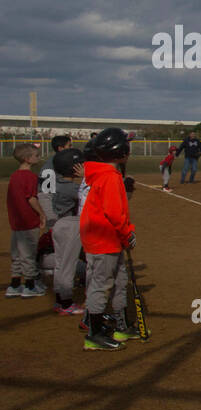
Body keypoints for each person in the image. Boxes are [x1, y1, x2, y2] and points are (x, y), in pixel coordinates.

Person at [79, 128, 139, 350]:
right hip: (103, 239)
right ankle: (94, 334)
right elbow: (114, 214)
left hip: (110, 238)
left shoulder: (107, 174)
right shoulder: (109, 177)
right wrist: (127, 234)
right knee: (101, 285)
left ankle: (121, 327)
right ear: (119, 150)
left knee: (119, 282)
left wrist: (125, 233)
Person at [49, 147, 86, 316]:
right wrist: (86, 177)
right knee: (68, 266)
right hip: (70, 227)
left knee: (61, 264)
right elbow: (89, 194)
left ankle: (60, 300)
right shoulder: (71, 188)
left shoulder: (58, 183)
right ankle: (66, 303)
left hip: (59, 226)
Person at [6, 143, 46, 298]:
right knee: (29, 254)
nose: (38, 158)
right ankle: (30, 285)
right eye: (36, 155)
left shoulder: (15, 175)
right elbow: (31, 198)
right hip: (28, 221)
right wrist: (41, 214)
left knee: (16, 253)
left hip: (16, 222)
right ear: (27, 159)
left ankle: (14, 284)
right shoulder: (30, 176)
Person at [36, 135, 71, 225]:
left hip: (46, 194)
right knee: (54, 226)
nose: (71, 148)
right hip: (48, 196)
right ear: (60, 148)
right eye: (69, 145)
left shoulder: (53, 160)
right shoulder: (60, 161)